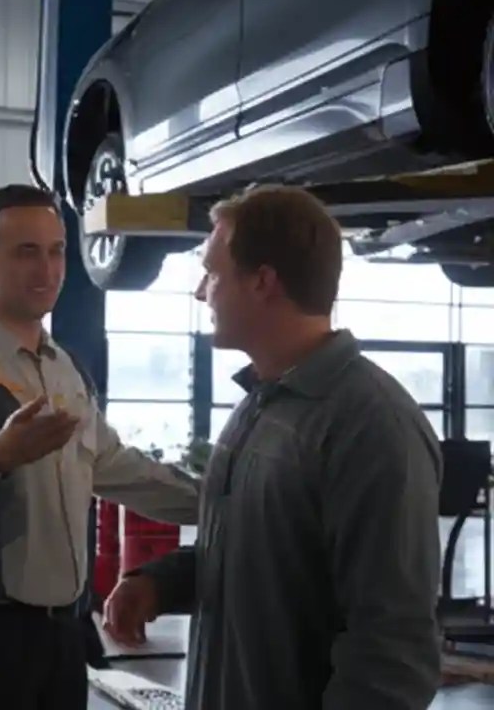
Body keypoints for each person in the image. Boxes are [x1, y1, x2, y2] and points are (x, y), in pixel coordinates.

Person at [103, 184, 443, 709]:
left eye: (212, 273)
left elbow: (391, 653)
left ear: (262, 281)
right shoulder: (262, 405)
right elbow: (260, 554)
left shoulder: (372, 426)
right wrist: (162, 584)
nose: (201, 293)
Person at [0, 184, 202, 710]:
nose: (47, 270)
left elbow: (116, 467)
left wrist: (222, 501)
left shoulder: (65, 369)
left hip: (59, 638)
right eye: (26, 252)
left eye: (56, 251)